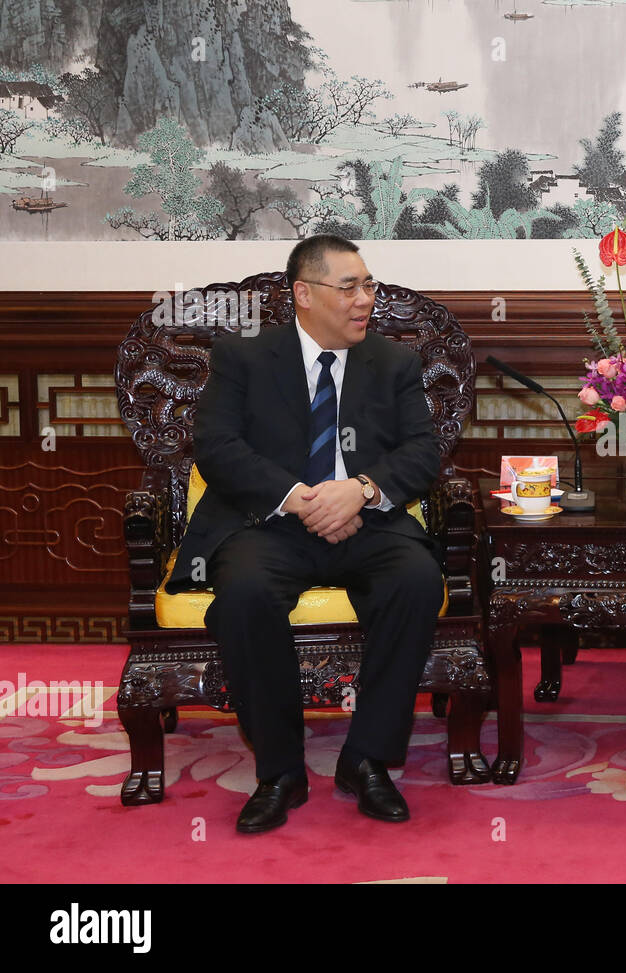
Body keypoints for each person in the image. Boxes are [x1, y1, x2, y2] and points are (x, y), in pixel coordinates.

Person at [167, 234, 443, 833]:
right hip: (269, 525)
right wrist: (296, 497)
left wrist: (362, 490)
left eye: (369, 286)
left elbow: (425, 451)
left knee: (417, 579)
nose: (364, 299)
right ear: (303, 294)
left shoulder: (393, 362)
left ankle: (366, 758)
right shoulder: (242, 358)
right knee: (243, 594)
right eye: (349, 287)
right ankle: (280, 769)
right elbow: (217, 449)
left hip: (366, 522)